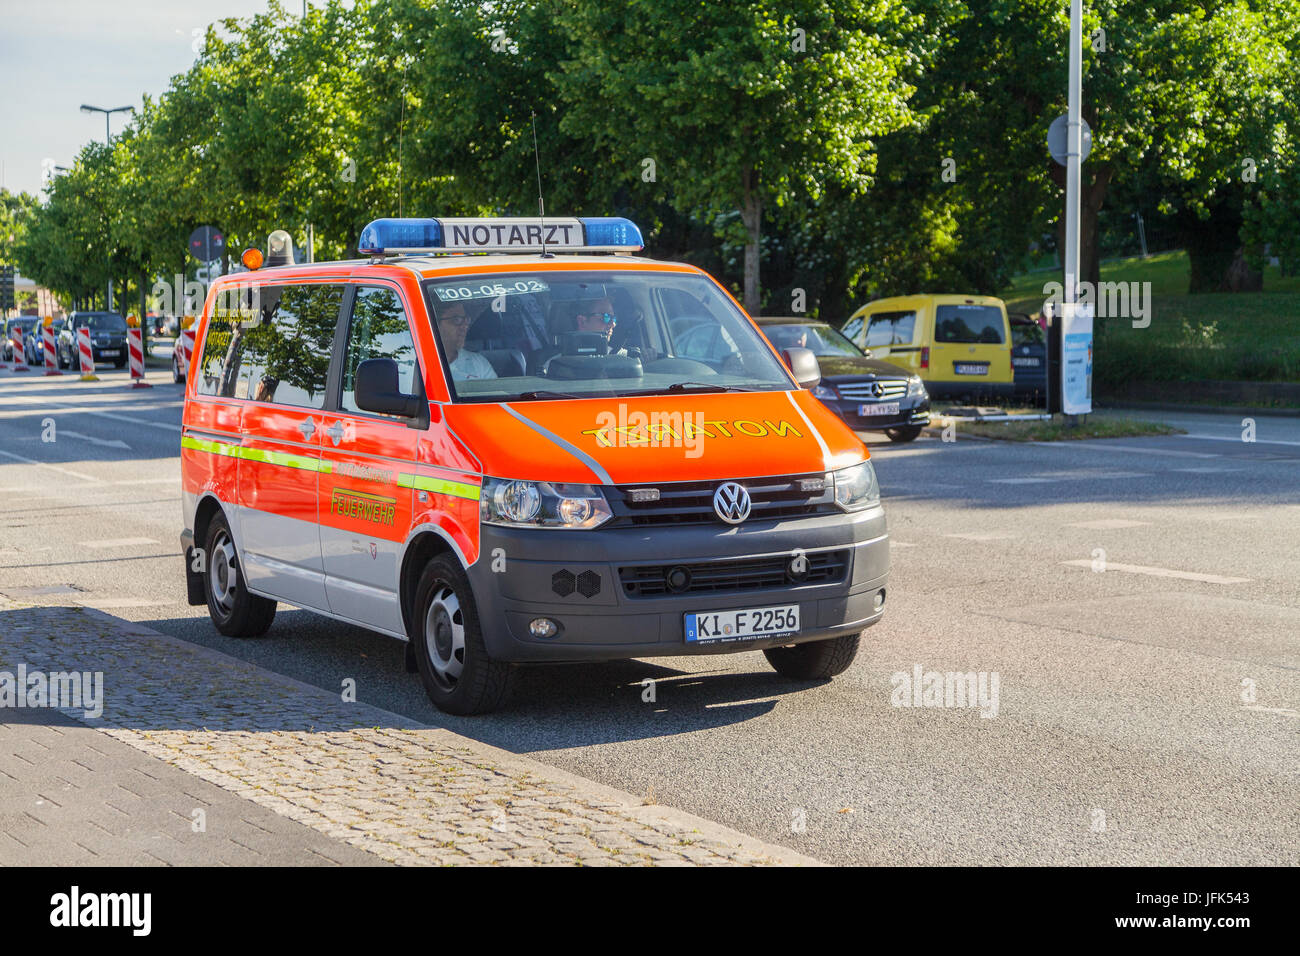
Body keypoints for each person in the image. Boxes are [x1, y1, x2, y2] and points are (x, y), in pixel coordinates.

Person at [437, 301, 496, 381]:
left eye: (466, 320)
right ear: (436, 324)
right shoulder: (421, 362)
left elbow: (495, 393)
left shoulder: (479, 364)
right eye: (456, 320)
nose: (464, 327)